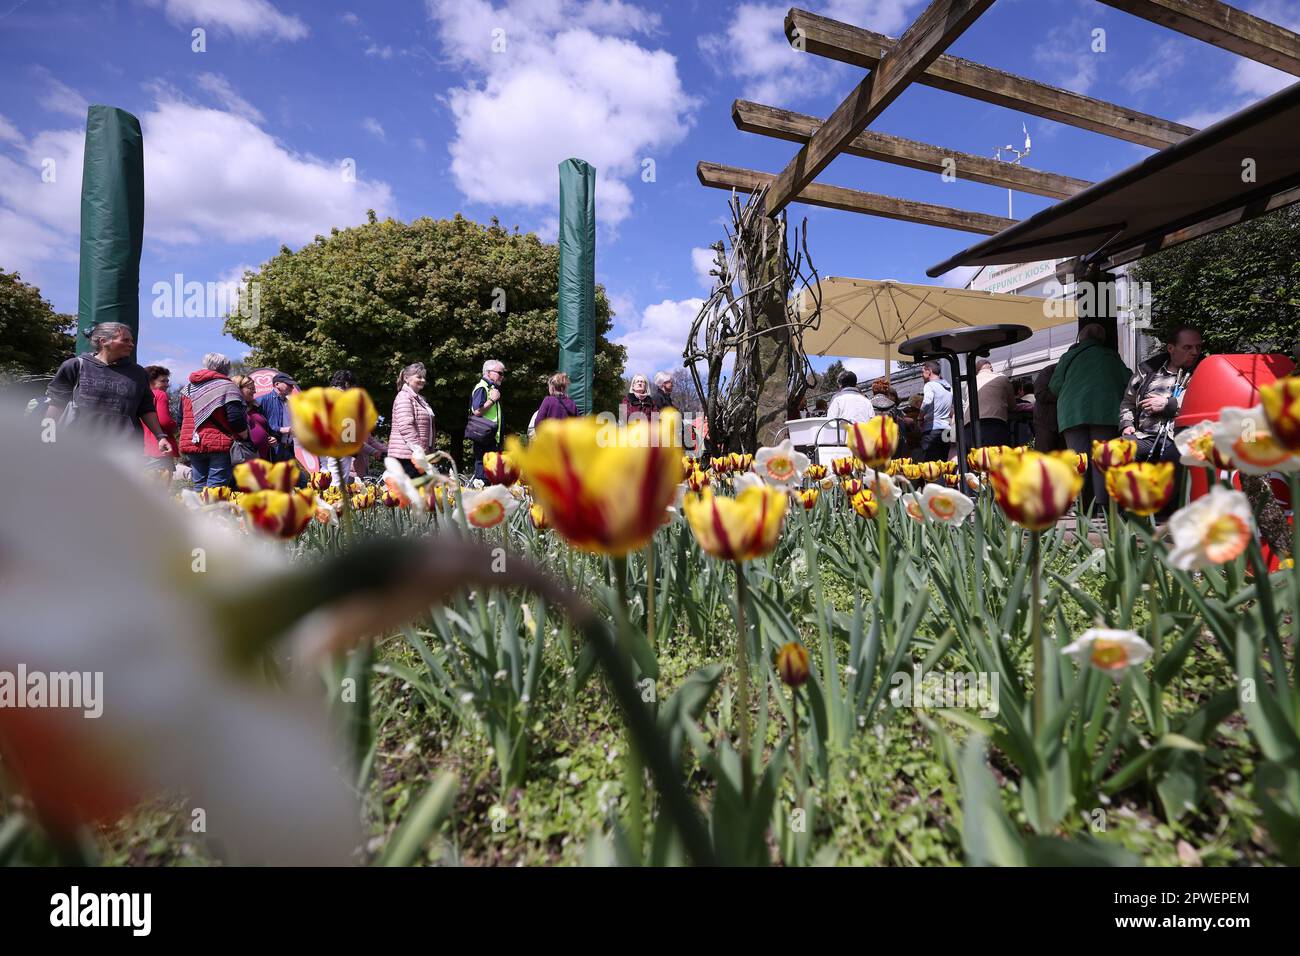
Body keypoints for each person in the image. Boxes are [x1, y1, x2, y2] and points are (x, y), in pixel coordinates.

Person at [44, 322, 174, 455]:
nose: (131, 344)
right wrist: (46, 437)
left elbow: (146, 409)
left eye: (132, 341)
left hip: (124, 450)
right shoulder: (75, 366)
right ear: (104, 341)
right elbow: (56, 404)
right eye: (125, 340)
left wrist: (160, 437)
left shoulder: (138, 374)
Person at [1120, 324, 1203, 518]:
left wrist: (1169, 405)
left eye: (1198, 347)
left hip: (1179, 436)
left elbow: (1204, 402)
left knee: (1174, 457)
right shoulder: (1147, 371)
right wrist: (1127, 425)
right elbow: (1127, 402)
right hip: (1146, 435)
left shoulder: (1203, 371)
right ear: (1171, 348)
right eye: (1188, 347)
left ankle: (1157, 511)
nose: (1195, 352)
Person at [1051, 323, 1132, 512]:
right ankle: (1103, 508)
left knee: (1078, 460)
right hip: (1104, 410)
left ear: (1080, 338)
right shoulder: (1111, 356)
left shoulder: (1068, 357)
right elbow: (1128, 381)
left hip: (1071, 413)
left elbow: (1054, 386)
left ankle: (1079, 506)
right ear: (1102, 339)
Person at [179, 353, 252, 489]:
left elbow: (180, 419)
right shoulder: (227, 386)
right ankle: (213, 511)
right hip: (219, 443)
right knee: (216, 488)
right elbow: (235, 418)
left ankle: (196, 510)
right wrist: (245, 436)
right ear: (226, 368)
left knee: (199, 486)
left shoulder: (187, 388)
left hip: (192, 442)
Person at [389, 362, 436, 480]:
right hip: (406, 456)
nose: (423, 380)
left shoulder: (419, 399)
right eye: (419, 377)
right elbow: (406, 426)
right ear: (406, 378)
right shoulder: (404, 397)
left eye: (424, 377)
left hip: (416, 455)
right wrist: (420, 450)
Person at [962, 358, 1014, 449]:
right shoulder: (1002, 378)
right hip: (994, 424)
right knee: (995, 458)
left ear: (977, 370)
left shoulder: (970, 384)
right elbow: (1012, 405)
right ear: (990, 366)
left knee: (975, 459)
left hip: (969, 426)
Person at [469, 359, 506, 482]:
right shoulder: (482, 387)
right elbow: (477, 410)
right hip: (484, 438)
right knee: (483, 477)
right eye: (499, 373)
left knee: (491, 475)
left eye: (503, 374)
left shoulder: (491, 388)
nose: (502, 377)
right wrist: (492, 400)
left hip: (491, 438)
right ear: (488, 372)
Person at [142, 364, 179, 475]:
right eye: (163, 381)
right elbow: (164, 421)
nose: (167, 385)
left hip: (142, 448)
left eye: (167, 381)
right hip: (160, 448)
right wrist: (174, 425)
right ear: (151, 381)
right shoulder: (160, 395)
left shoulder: (140, 395)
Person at [233, 374, 275, 460]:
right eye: (251, 388)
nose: (255, 391)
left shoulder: (256, 406)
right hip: (246, 458)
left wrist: (272, 438)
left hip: (264, 456)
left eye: (254, 388)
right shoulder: (233, 410)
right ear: (238, 389)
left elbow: (265, 428)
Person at [257, 373, 297, 463]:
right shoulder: (262, 400)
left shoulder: (288, 402)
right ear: (277, 384)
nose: (292, 387)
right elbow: (255, 425)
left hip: (288, 446)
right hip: (274, 448)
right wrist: (283, 430)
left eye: (292, 385)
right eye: (289, 384)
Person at [918, 362, 954, 462]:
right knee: (944, 464)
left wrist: (920, 418)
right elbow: (952, 409)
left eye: (922, 371)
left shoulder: (930, 385)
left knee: (931, 468)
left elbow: (927, 401)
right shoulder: (949, 387)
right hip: (946, 431)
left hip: (932, 430)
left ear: (928, 371)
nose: (921, 375)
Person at [1033, 363, 1062, 453]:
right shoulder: (1050, 370)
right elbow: (1040, 393)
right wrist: (1063, 396)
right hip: (1046, 422)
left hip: (1059, 423)